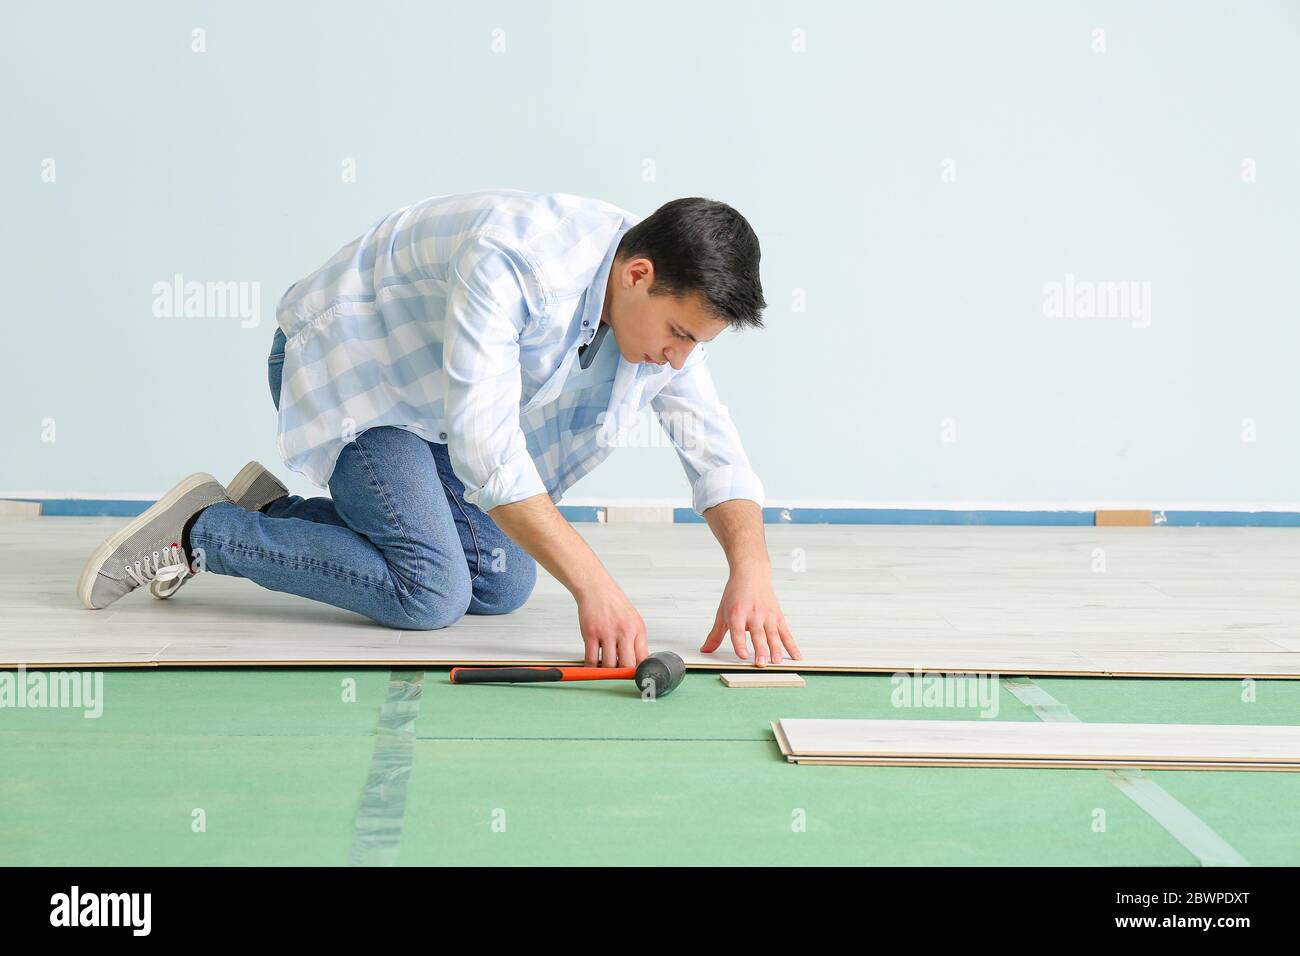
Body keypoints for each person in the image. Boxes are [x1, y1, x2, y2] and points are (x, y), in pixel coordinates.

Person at [77, 189, 800, 668]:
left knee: (505, 580)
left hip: (434, 411)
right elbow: (488, 454)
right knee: (430, 592)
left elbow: (713, 446)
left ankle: (273, 515)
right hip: (358, 379)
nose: (679, 357)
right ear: (638, 274)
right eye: (678, 334)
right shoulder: (519, 260)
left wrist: (753, 569)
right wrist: (596, 587)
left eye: (695, 345)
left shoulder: (655, 309)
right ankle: (202, 531)